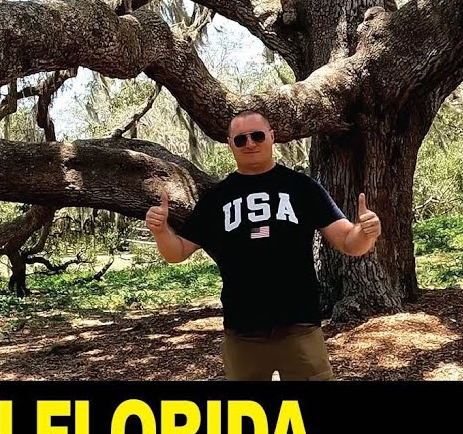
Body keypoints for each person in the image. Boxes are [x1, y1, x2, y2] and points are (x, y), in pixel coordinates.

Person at [144, 109, 381, 381]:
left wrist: (366, 232)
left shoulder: (302, 188)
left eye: (257, 135)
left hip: (300, 327)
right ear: (231, 144)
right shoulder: (217, 198)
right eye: (241, 139)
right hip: (243, 332)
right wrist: (162, 232)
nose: (250, 143)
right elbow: (178, 251)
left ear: (272, 137)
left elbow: (349, 242)